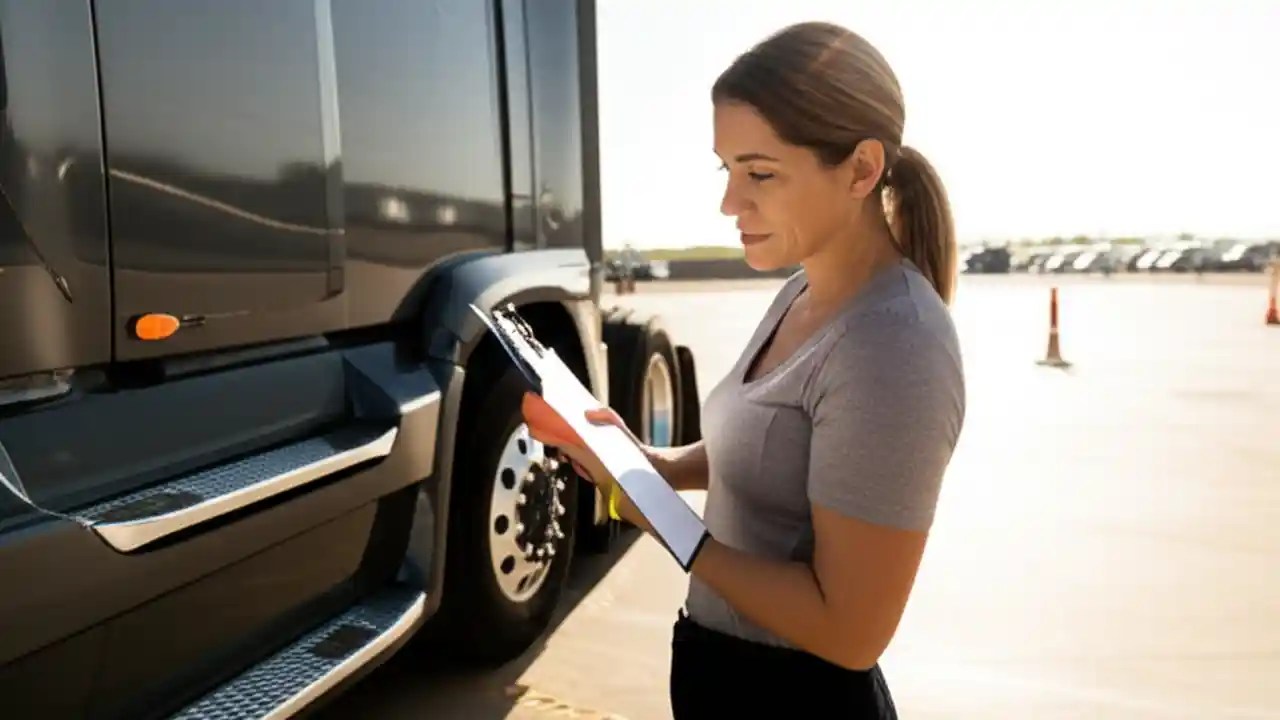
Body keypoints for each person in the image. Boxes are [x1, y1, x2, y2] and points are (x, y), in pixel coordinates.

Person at [523, 20, 966, 719]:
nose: (730, 203)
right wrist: (653, 464)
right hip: (720, 673)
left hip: (795, 698)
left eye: (760, 173)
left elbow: (851, 633)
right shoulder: (802, 289)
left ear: (860, 169)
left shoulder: (894, 346)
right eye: (726, 169)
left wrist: (672, 526)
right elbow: (768, 449)